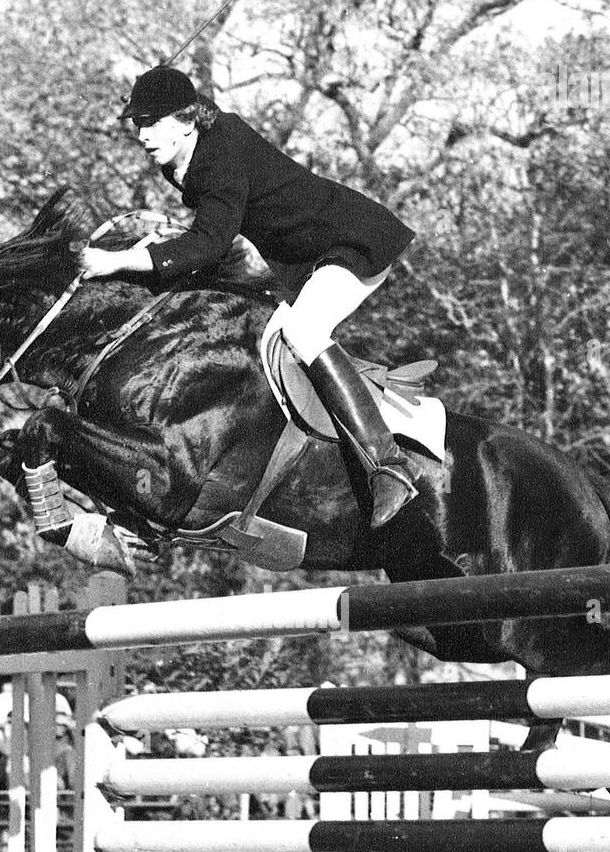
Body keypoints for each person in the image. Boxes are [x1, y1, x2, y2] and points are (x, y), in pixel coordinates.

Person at [81, 66, 419, 529]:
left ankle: (389, 465)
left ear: (186, 120)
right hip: (302, 260)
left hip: (352, 241)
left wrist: (118, 261)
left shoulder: (220, 155)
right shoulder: (185, 152)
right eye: (137, 124)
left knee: (301, 331)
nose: (142, 136)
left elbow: (209, 244)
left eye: (152, 123)